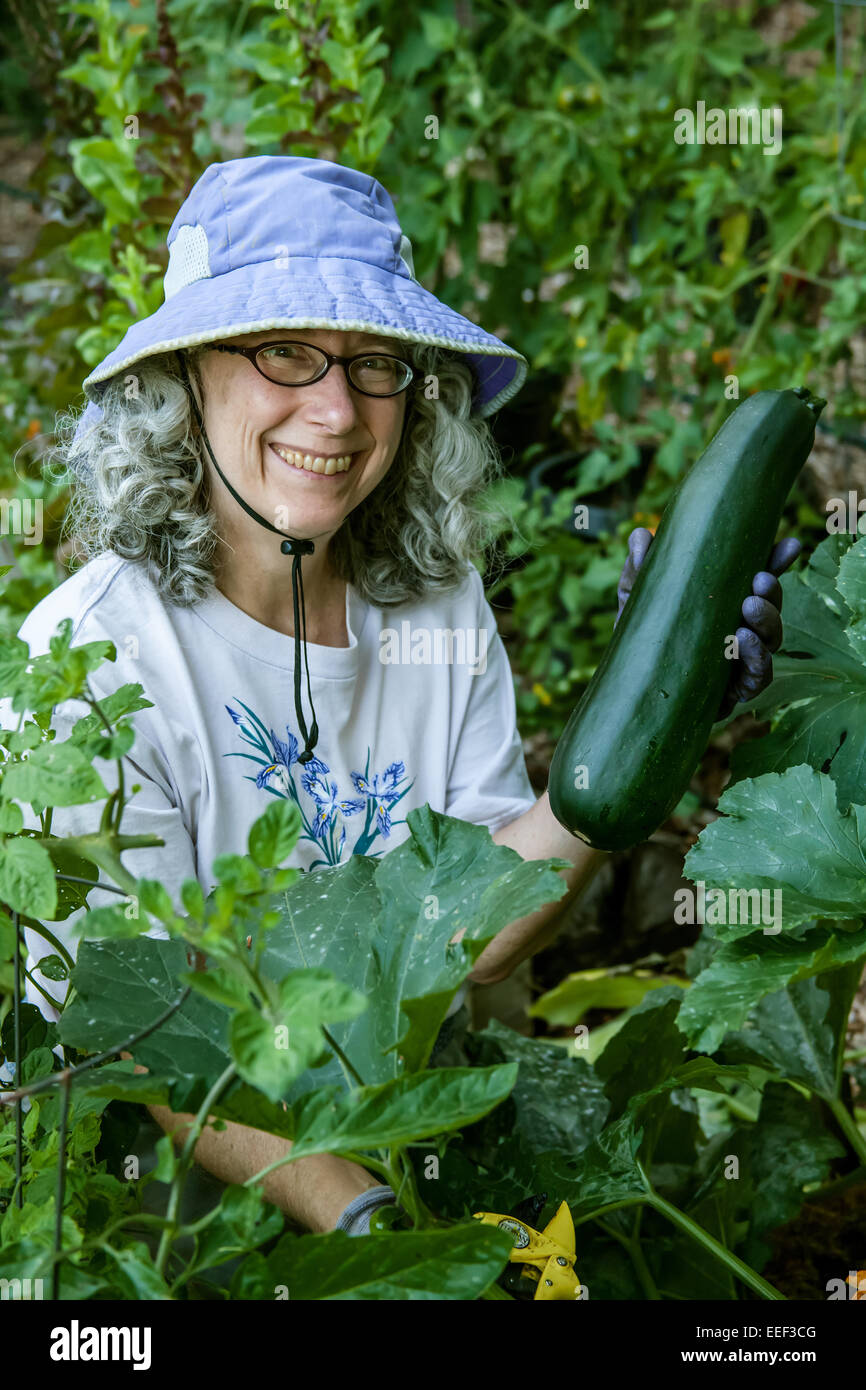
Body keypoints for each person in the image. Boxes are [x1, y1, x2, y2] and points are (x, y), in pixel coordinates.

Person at [2, 155, 797, 1240]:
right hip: (195, 1245)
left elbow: (474, 929)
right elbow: (146, 1034)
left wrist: (651, 713)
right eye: (285, 351)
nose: (334, 410)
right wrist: (383, 1237)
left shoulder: (431, 603)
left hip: (431, 1162)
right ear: (183, 373)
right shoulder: (91, 660)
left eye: (375, 362)